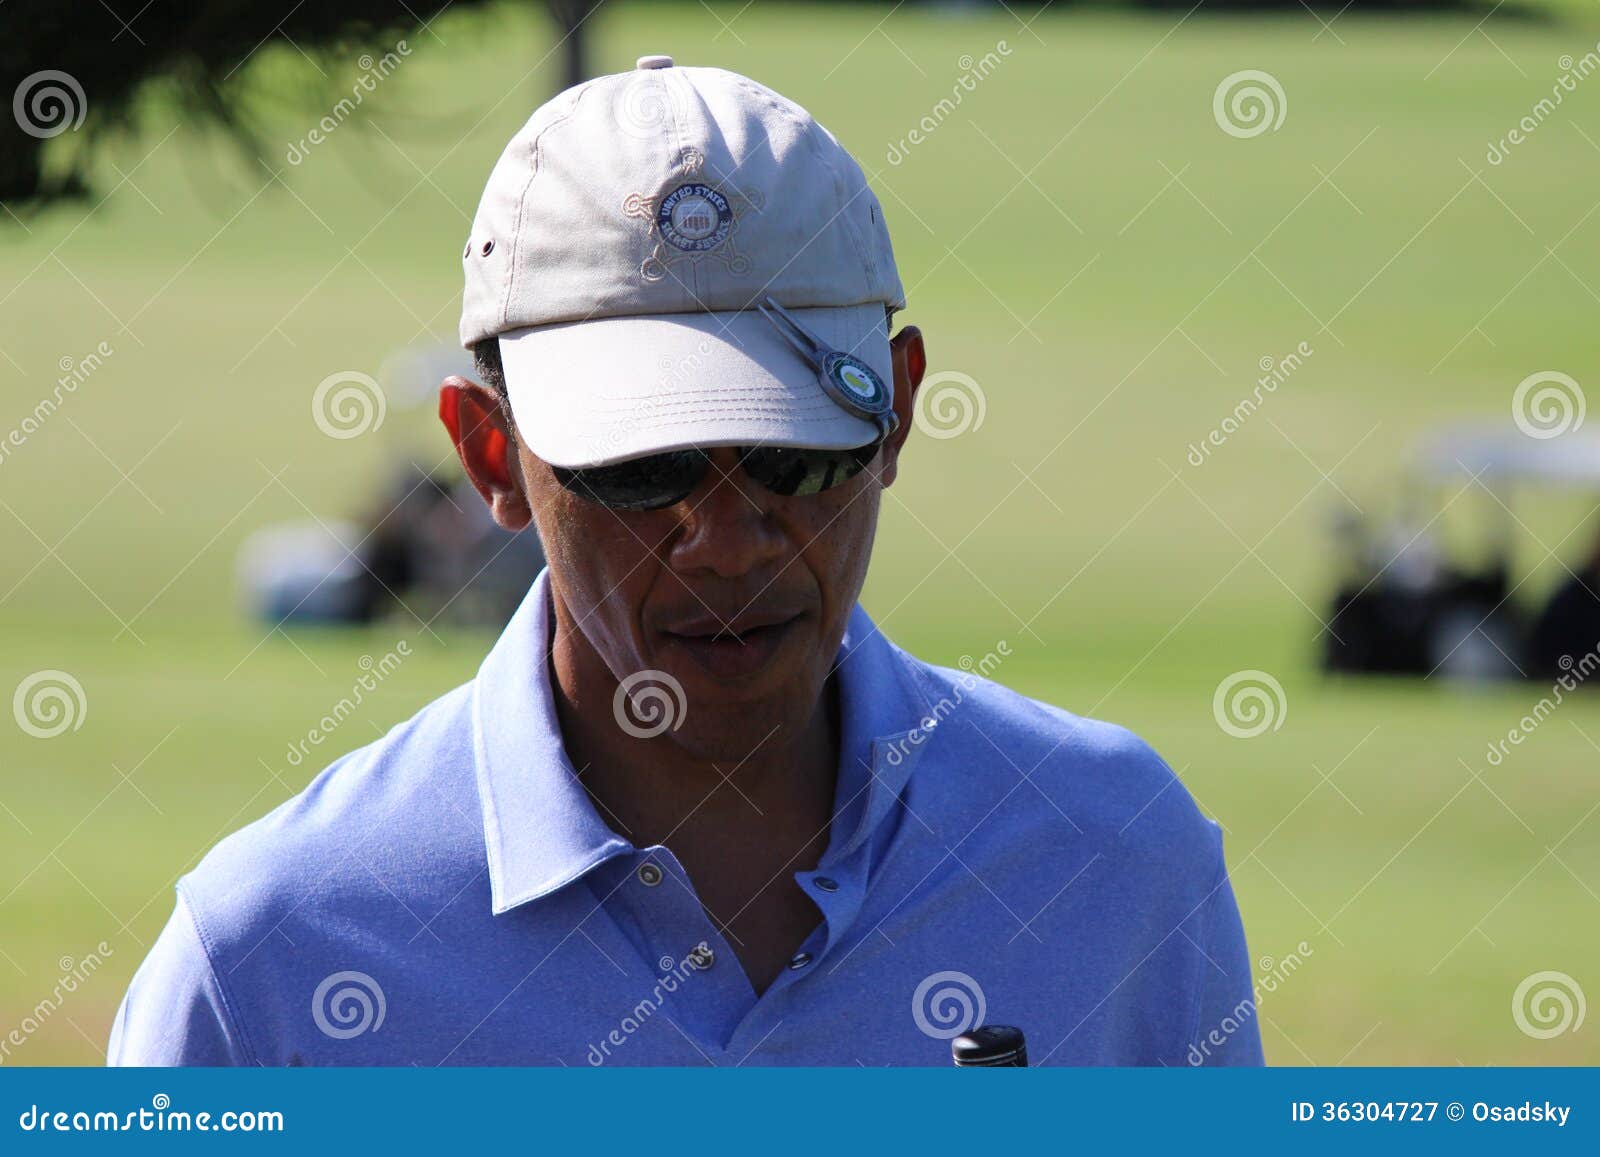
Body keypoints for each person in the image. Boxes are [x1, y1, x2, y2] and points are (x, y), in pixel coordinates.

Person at [108, 57, 1261, 1066]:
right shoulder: (270, 957)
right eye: (639, 469)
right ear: (492, 455)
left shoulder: (1117, 867)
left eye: (792, 457)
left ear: (897, 415)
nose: (727, 538)